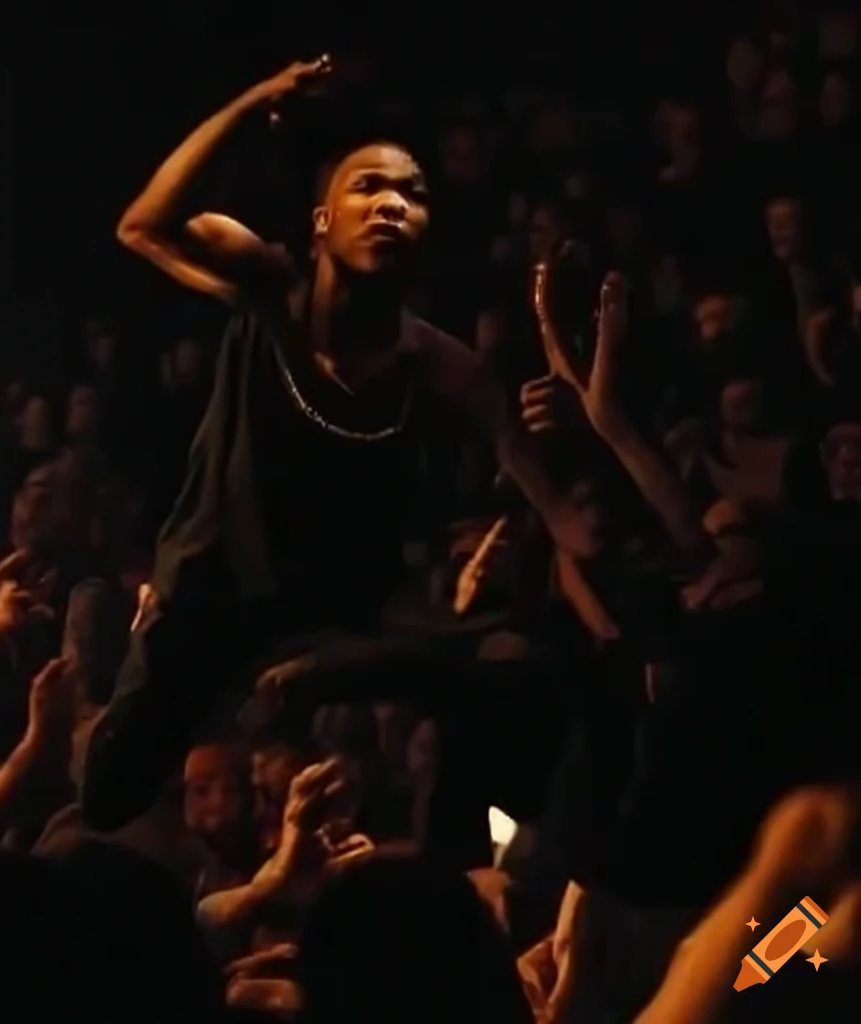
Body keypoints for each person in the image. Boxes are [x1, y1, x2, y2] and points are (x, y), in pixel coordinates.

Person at [81, 57, 593, 831]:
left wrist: (590, 434)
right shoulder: (267, 290)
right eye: (368, 187)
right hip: (206, 602)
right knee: (108, 796)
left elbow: (559, 511)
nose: (391, 203)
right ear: (321, 223)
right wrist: (253, 101)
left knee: (512, 670)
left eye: (412, 194)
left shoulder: (446, 368)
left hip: (337, 625)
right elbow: (144, 223)